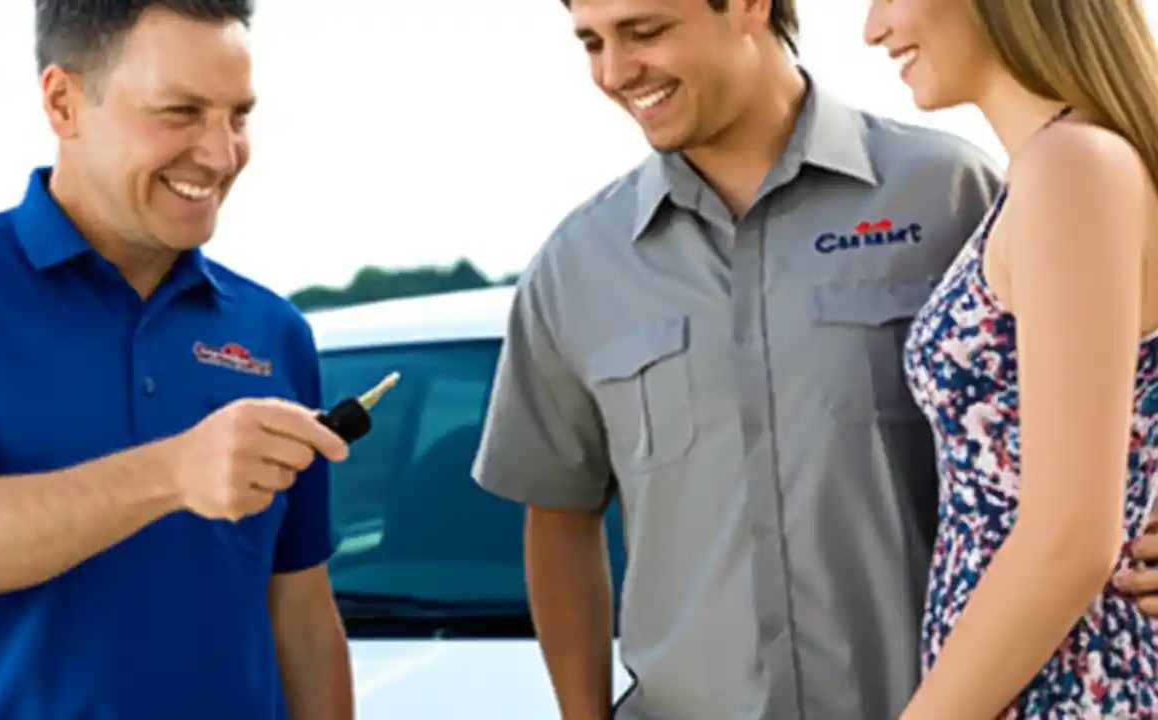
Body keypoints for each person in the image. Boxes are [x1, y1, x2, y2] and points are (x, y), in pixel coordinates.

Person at [471, 0, 1158, 718]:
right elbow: (557, 510)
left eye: (646, 32)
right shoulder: (575, 266)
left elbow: (1108, 411)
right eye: (592, 43)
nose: (615, 72)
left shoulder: (957, 191)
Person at [0, 2, 353, 718]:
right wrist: (174, 471)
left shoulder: (274, 330)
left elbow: (302, 616)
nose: (221, 154)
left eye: (237, 116)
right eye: (181, 113)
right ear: (63, 103)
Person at [864, 1, 1158, 717]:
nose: (873, 29)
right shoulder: (1057, 170)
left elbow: (1070, 539)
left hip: (1068, 681)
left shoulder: (1073, 167)